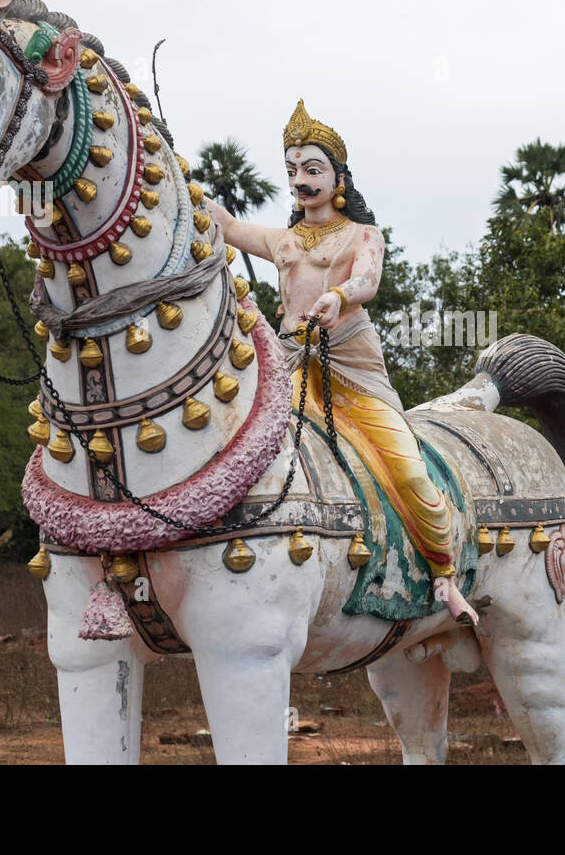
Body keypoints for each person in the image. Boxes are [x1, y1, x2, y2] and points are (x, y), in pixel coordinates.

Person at [203, 100, 479, 626]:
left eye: (312, 171)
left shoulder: (362, 235)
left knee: (405, 465)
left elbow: (369, 281)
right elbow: (231, 227)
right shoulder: (283, 240)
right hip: (285, 362)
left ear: (338, 177)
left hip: (349, 364)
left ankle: (443, 572)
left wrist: (339, 296)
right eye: (292, 172)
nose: (301, 182)